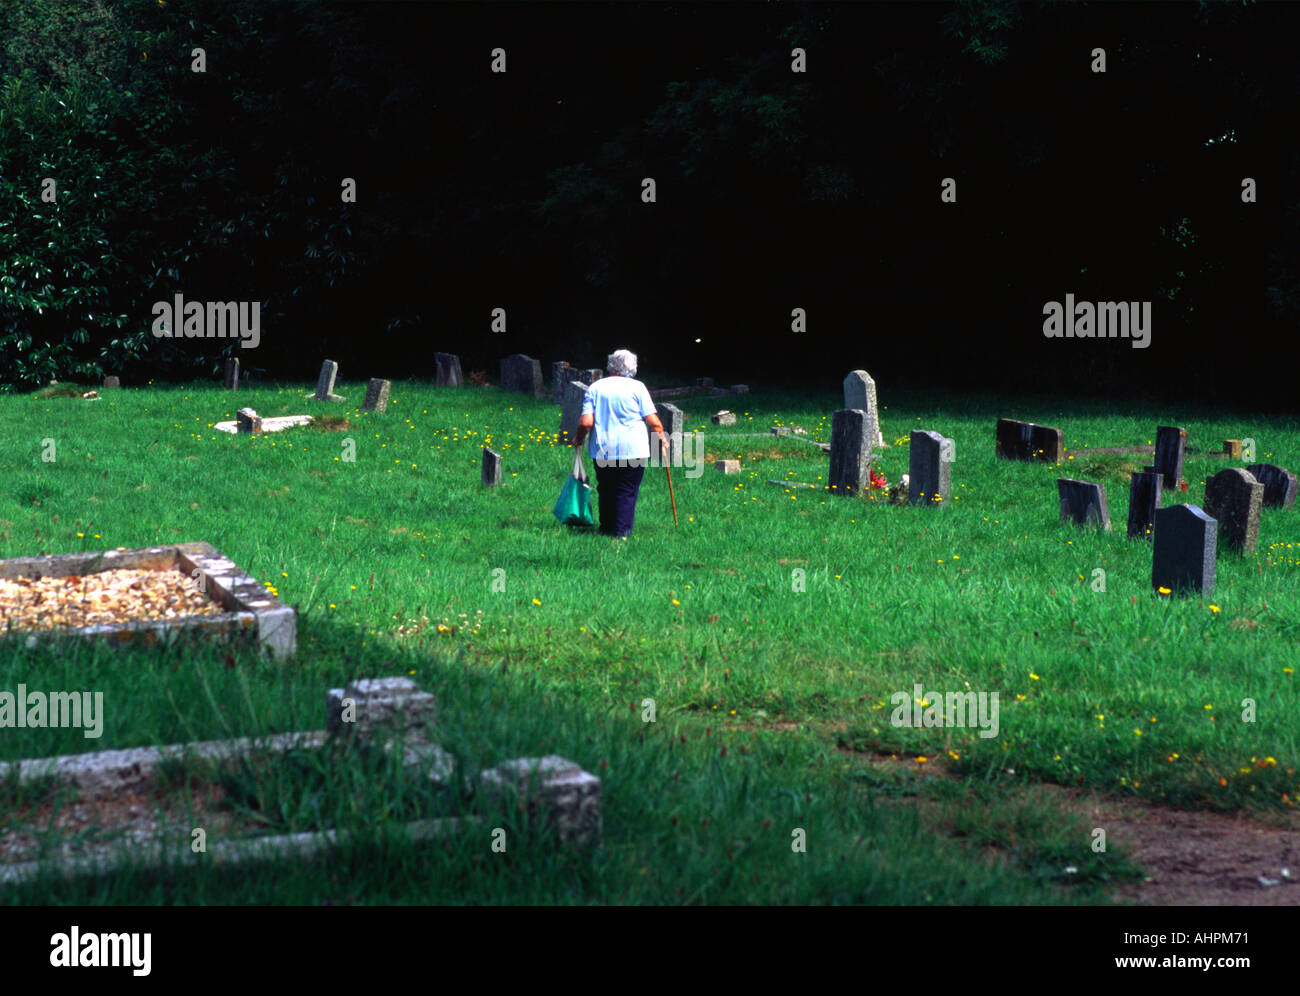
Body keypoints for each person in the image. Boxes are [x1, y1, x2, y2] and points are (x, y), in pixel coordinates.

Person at [571, 348, 668, 538]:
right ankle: (621, 534)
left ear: (610, 366)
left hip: (602, 449)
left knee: (605, 489)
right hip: (632, 450)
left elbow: (586, 422)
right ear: (632, 368)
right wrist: (662, 439)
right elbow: (654, 422)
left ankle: (606, 528)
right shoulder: (638, 387)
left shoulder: (596, 387)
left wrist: (578, 439)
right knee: (627, 490)